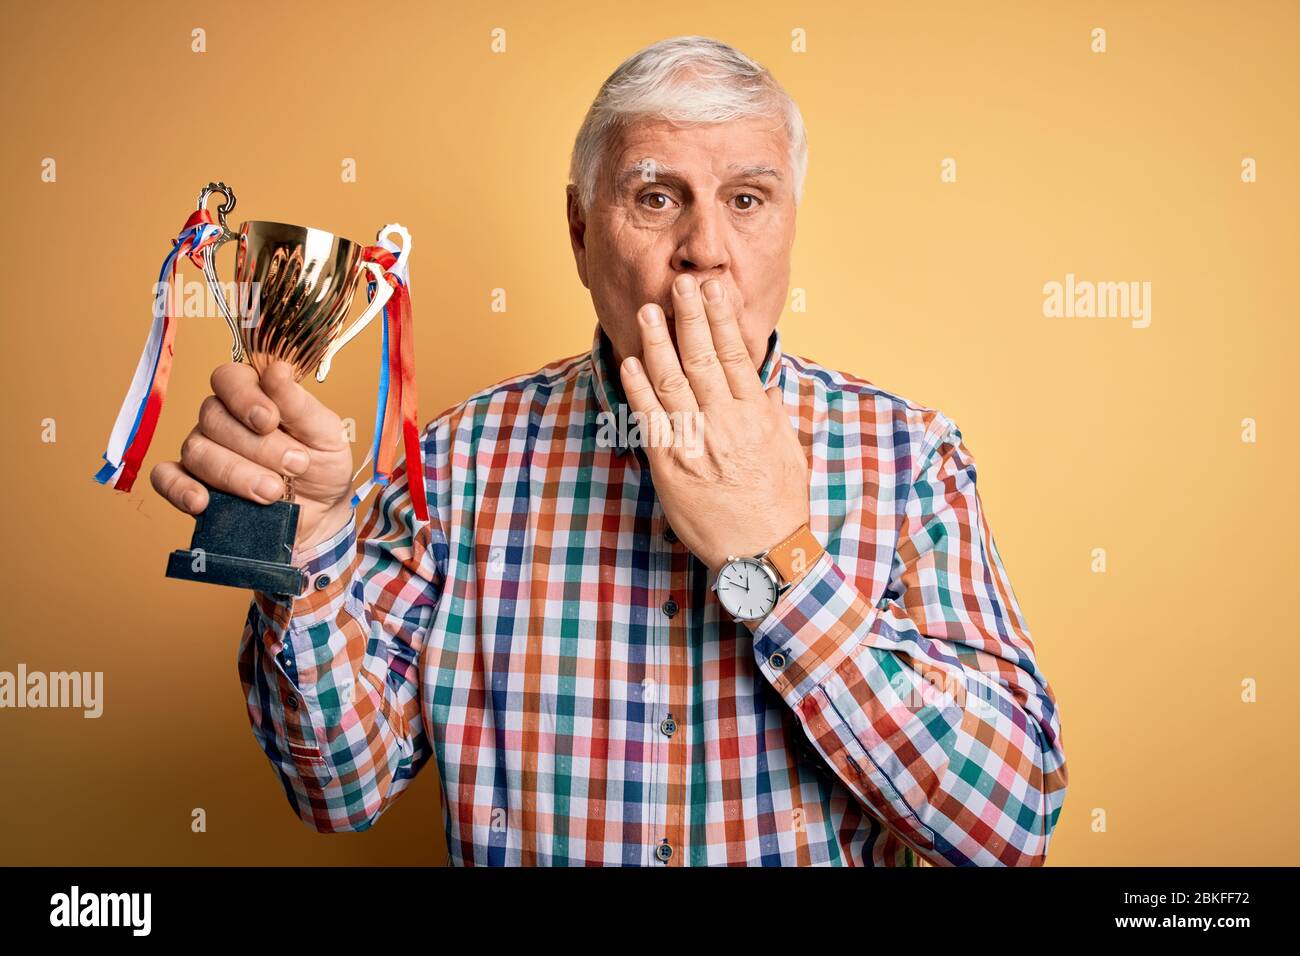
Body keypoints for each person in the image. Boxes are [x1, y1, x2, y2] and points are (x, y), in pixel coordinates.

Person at [150, 35, 1067, 866]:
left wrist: (779, 561)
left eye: (747, 199)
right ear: (581, 233)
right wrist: (305, 549)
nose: (704, 249)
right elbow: (336, 794)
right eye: (657, 197)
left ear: (790, 224)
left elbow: (1010, 824)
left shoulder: (909, 458)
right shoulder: (457, 463)